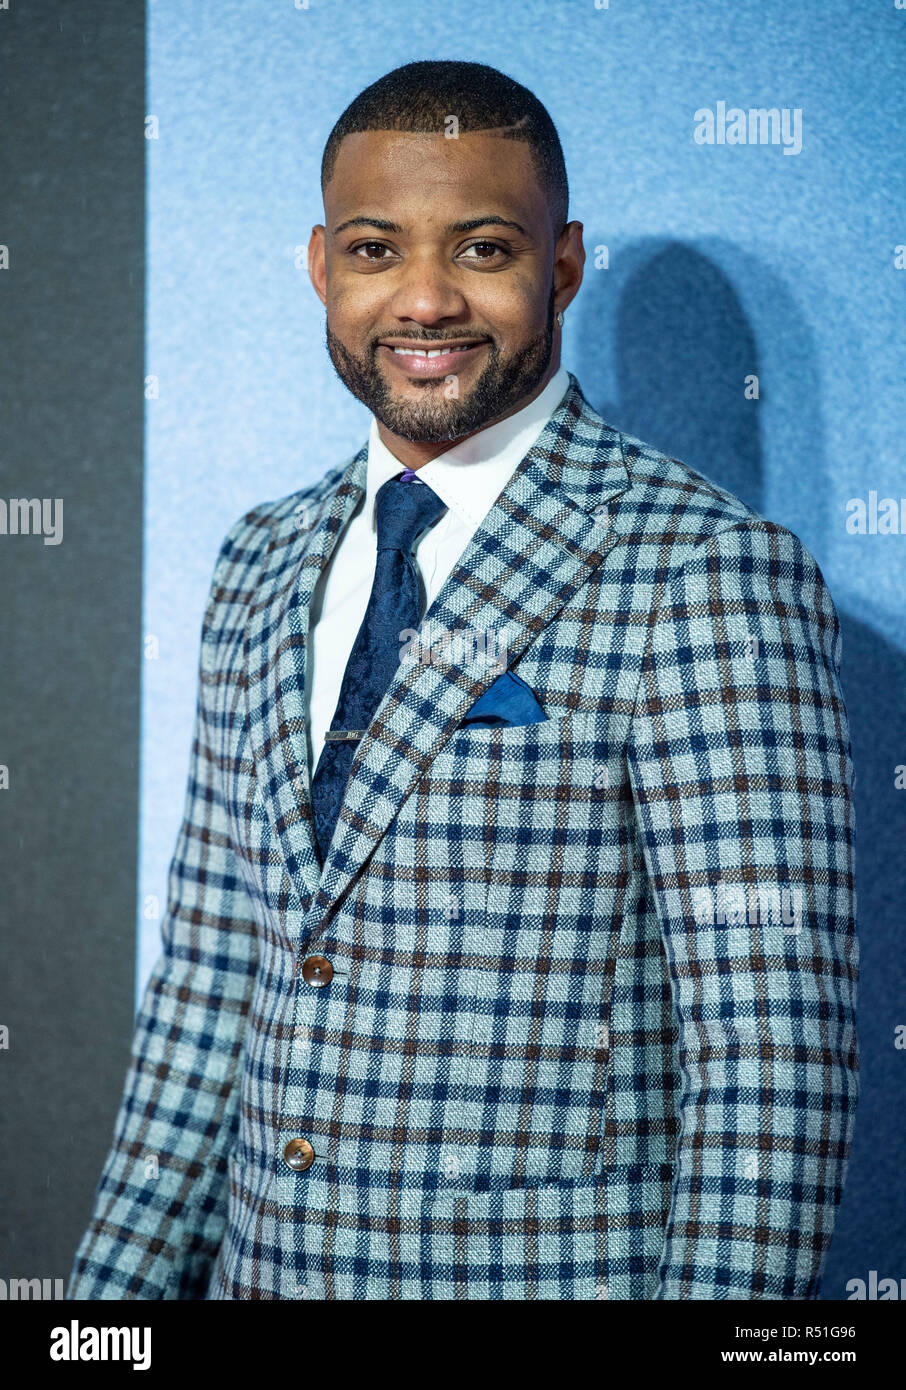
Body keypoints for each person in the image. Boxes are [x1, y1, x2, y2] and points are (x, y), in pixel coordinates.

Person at [68, 59, 858, 1301]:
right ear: (322, 266)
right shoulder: (258, 558)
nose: (425, 300)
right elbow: (209, 984)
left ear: (562, 264)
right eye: (379, 251)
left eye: (483, 249)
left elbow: (771, 1060)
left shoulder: (704, 573)